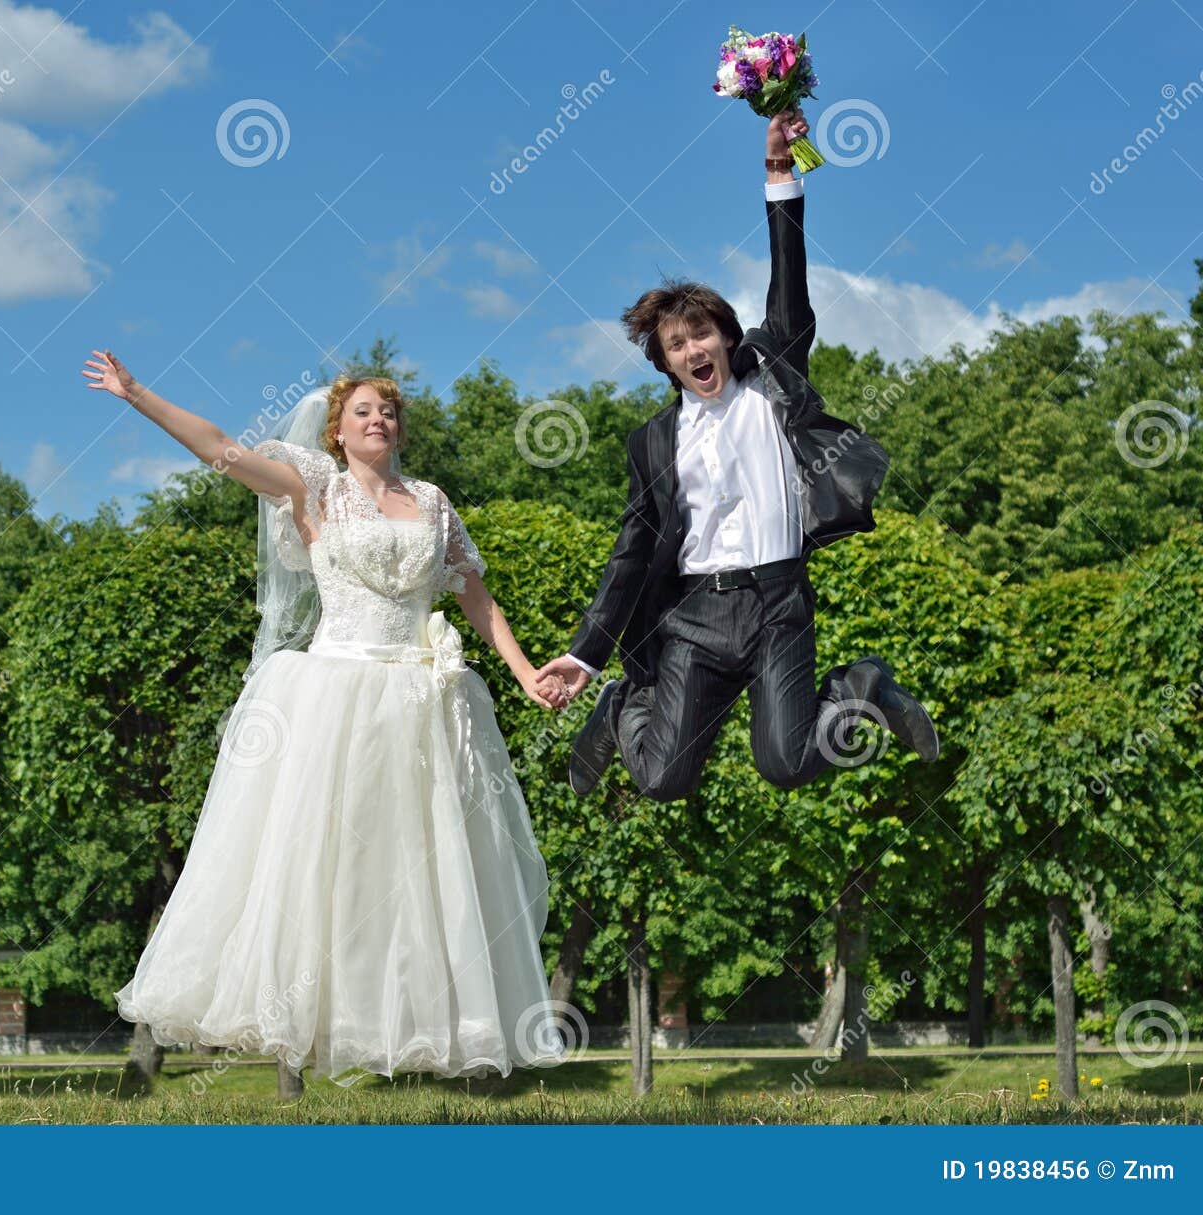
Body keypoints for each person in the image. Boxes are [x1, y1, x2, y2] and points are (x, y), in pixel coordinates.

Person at [84, 350, 569, 1087]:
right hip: (335, 697)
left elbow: (475, 595)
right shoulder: (312, 488)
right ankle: (306, 1022)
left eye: (390, 410)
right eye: (364, 411)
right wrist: (136, 392)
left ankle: (424, 1025)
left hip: (424, 703)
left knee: (426, 873)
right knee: (322, 868)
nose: (381, 419)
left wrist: (526, 670)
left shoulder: (433, 501)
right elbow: (222, 449)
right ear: (338, 430)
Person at [534, 108, 941, 801]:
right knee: (661, 778)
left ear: (726, 336)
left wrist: (780, 173)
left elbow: (790, 290)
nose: (695, 350)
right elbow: (631, 553)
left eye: (703, 335)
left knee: (785, 762)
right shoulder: (654, 442)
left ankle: (860, 684)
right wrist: (584, 654)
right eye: (677, 345)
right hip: (694, 616)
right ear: (665, 362)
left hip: (777, 601)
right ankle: (618, 709)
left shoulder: (771, 378)